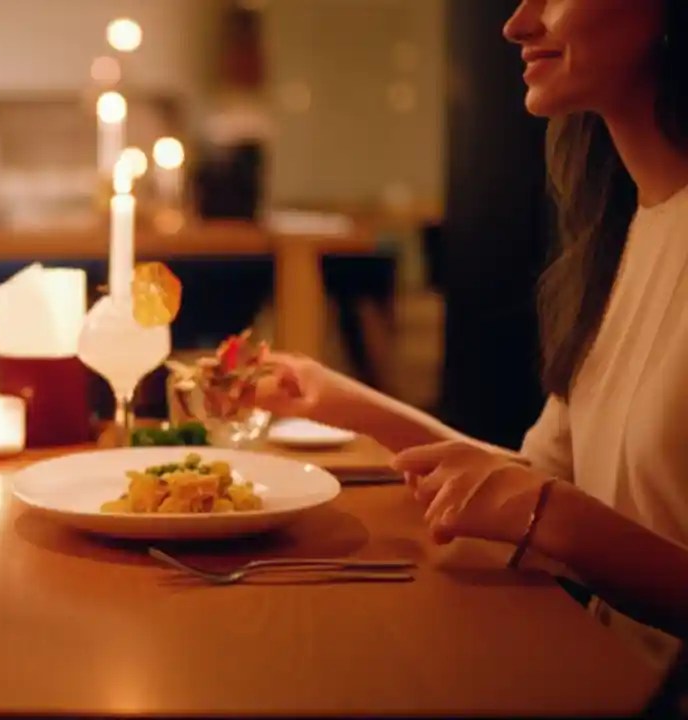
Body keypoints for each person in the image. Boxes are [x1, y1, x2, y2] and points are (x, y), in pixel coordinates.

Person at [252, 0, 688, 666]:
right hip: (608, 678)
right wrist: (345, 404)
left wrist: (548, 510)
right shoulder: (624, 230)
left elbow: (547, 506)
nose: (517, 23)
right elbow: (536, 482)